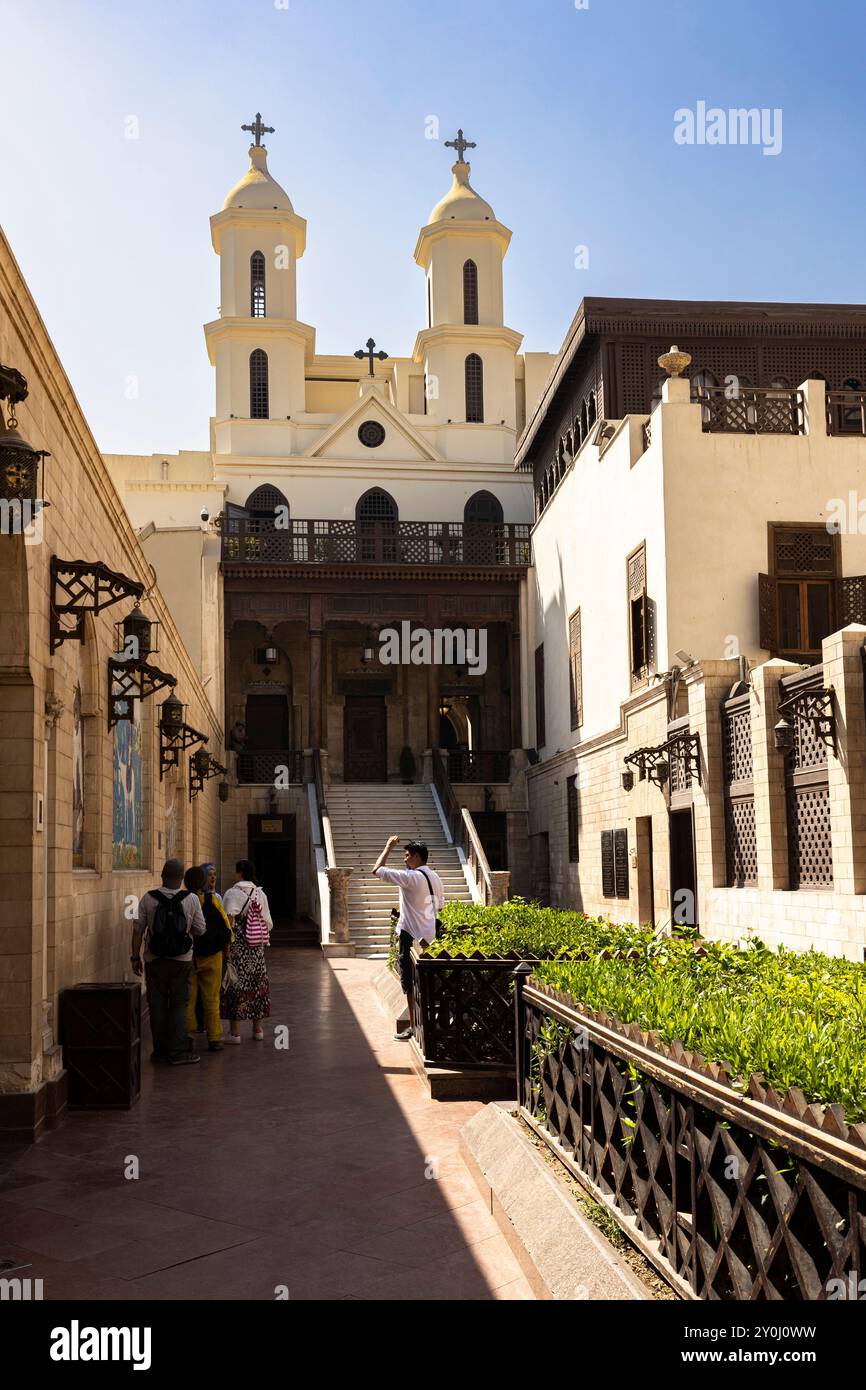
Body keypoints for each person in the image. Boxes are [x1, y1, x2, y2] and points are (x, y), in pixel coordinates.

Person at [130, 858, 207, 1066]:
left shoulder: (148, 898)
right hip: (182, 961)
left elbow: (138, 930)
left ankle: (160, 1051)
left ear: (163, 876)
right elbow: (200, 929)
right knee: (179, 1005)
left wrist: (135, 957)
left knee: (156, 1005)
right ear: (181, 878)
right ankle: (178, 1052)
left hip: (154, 960)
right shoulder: (191, 899)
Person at [372, 836, 444, 1041]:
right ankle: (430, 1024)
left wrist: (388, 847)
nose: (404, 860)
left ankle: (413, 1026)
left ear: (417, 857)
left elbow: (377, 870)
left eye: (407, 855)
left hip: (411, 938)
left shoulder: (411, 877)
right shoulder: (435, 878)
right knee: (429, 983)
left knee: (409, 983)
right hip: (430, 938)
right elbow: (437, 906)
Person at [221, 860, 272, 1043]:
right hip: (256, 950)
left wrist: (226, 949)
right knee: (257, 986)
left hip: (238, 949)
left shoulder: (232, 893)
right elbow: (268, 924)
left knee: (236, 985)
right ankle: (258, 1030)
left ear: (240, 873)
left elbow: (228, 923)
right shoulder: (261, 894)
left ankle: (235, 1033)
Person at [184, 864, 232, 1052]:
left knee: (189, 999)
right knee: (212, 998)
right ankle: (215, 1038)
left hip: (190, 956)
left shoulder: (185, 900)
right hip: (213, 956)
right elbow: (226, 929)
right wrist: (227, 954)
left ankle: (188, 1036)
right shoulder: (213, 900)